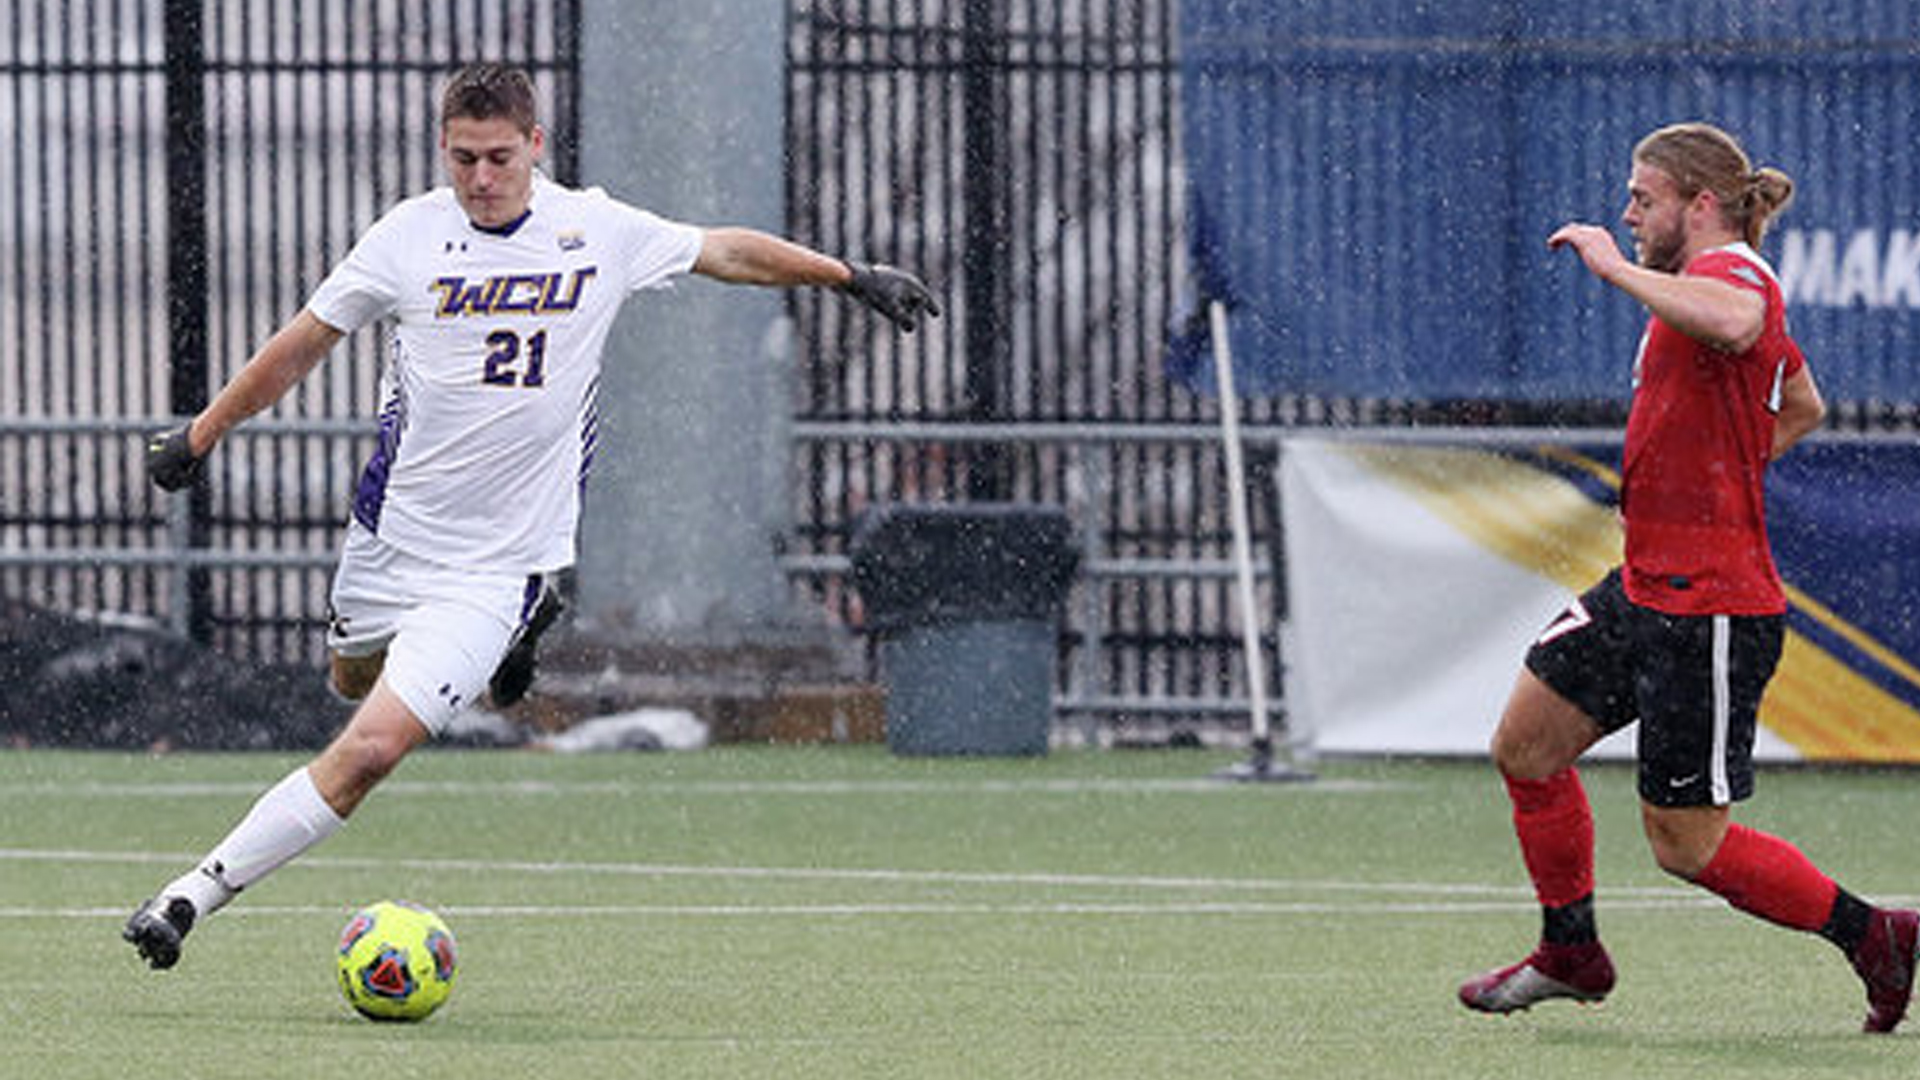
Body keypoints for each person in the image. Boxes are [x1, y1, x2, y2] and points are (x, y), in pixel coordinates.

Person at [124, 61, 938, 970]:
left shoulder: (595, 231)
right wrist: (198, 437)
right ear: (443, 149)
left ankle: (187, 897)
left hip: (497, 566)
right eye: (464, 158)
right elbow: (301, 345)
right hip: (391, 541)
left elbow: (727, 252)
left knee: (369, 751)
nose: (480, 178)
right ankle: (512, 643)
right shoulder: (406, 239)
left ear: (535, 147)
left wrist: (848, 275)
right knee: (350, 682)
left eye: (499, 158)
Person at [1457, 121, 1918, 1031]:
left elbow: (1744, 322)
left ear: (1699, 206)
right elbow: (1805, 400)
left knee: (1686, 845)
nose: (1626, 213)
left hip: (1710, 607)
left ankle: (1879, 936)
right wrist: (1727, 466)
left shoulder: (1730, 275)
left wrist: (1609, 266)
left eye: (1643, 198)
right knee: (1526, 747)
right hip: (1644, 585)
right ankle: (1571, 951)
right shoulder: (1700, 287)